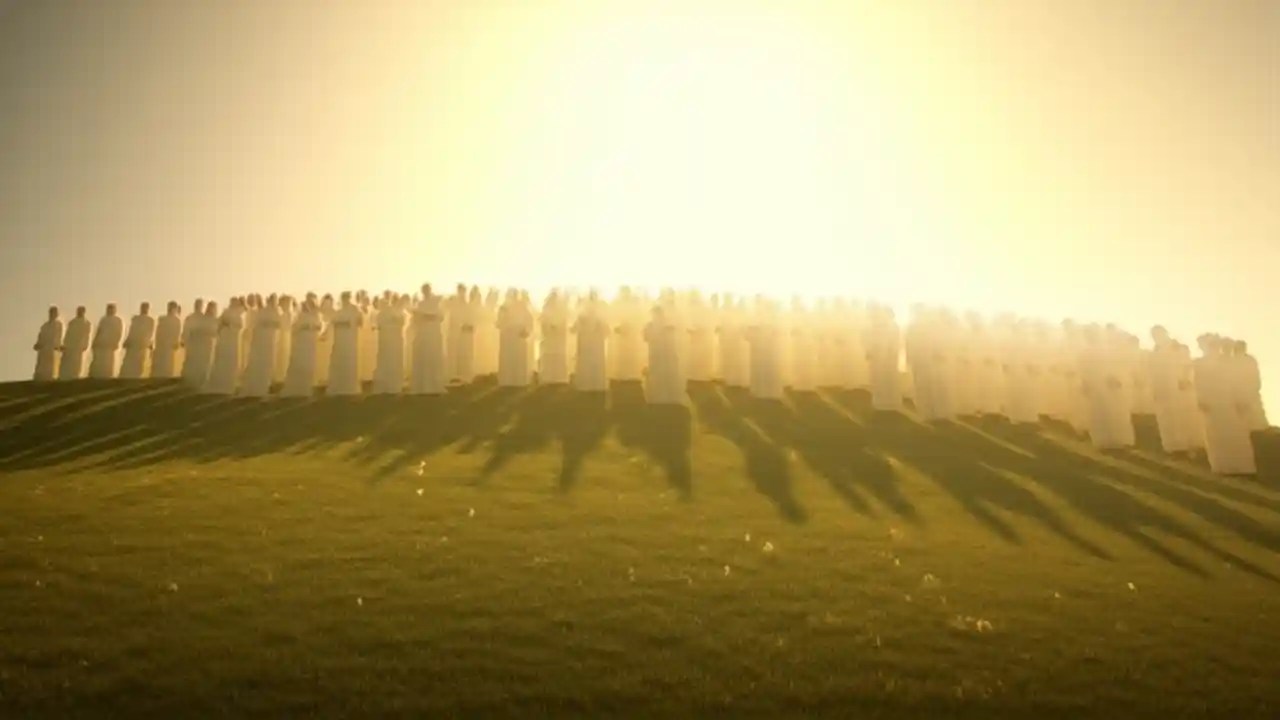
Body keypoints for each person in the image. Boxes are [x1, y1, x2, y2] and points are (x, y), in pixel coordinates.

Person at [1195, 335, 1255, 474]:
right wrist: (1201, 399)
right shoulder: (1200, 363)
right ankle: (1221, 466)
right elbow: (1199, 383)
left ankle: (1243, 467)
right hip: (1212, 403)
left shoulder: (1229, 362)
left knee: (1235, 434)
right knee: (1216, 435)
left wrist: (1242, 399)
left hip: (1230, 402)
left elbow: (1239, 382)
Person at [281, 298, 324, 398]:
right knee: (299, 362)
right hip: (301, 343)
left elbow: (320, 327)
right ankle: (295, 387)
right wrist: (303, 328)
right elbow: (294, 328)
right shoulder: (299, 317)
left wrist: (312, 328)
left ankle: (306, 388)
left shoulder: (316, 316)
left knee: (308, 364)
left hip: (310, 343)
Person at [409, 284, 447, 394]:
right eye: (424, 290)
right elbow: (416, 319)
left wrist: (427, 317)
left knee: (433, 355)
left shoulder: (436, 303)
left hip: (433, 333)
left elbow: (441, 317)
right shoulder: (420, 304)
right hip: (423, 333)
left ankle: (434, 383)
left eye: (427, 290)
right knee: (424, 356)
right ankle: (423, 384)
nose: (426, 292)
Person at [241, 295, 282, 397]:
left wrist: (268, 324)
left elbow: (279, 324)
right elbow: (254, 321)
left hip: (270, 340)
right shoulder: (262, 311)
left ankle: (263, 386)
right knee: (256, 361)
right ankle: (252, 386)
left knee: (267, 362)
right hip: (259, 339)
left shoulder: (277, 311)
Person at [203, 298, 246, 395]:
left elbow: (240, 325)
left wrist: (231, 325)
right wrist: (224, 326)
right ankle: (219, 383)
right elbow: (219, 323)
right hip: (225, 338)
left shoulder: (237, 315)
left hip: (232, 339)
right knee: (222, 359)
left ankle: (228, 383)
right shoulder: (226, 312)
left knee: (230, 360)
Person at [643, 306, 685, 404]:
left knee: (666, 375)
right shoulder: (649, 325)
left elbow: (673, 341)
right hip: (654, 354)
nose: (655, 316)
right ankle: (655, 397)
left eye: (657, 314)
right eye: (654, 314)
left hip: (666, 356)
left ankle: (668, 398)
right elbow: (645, 338)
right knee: (655, 376)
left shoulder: (668, 326)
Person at [866, 305, 904, 412]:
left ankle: (892, 401)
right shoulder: (875, 326)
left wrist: (892, 351)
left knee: (890, 379)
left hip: (890, 357)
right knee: (878, 378)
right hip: (878, 357)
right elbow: (869, 339)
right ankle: (880, 402)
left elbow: (896, 341)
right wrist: (869, 350)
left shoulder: (893, 326)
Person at [746, 298, 784, 401]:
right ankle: (760, 391)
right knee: (760, 368)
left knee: (770, 368)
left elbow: (778, 332)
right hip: (759, 347)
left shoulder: (775, 318)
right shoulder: (755, 316)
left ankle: (770, 392)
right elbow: (749, 330)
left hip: (770, 347)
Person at [327, 291, 364, 396]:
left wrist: (350, 323)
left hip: (350, 339)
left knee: (349, 360)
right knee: (340, 359)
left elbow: (360, 322)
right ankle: (339, 385)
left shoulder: (355, 310)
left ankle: (349, 386)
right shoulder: (339, 311)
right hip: (340, 340)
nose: (345, 300)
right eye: (343, 298)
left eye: (346, 298)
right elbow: (332, 322)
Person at [572, 290, 609, 392]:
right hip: (586, 343)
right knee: (586, 363)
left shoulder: (601, 311)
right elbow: (575, 326)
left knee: (595, 363)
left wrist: (599, 326)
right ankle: (585, 385)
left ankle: (596, 385)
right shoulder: (583, 312)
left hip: (596, 344)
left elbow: (606, 328)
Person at [372, 294, 408, 394]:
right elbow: (379, 325)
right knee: (387, 359)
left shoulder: (398, 313)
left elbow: (401, 323)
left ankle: (393, 384)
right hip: (388, 340)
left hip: (394, 339)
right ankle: (388, 384)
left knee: (393, 359)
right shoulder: (386, 312)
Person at [496, 289, 533, 388]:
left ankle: (519, 380)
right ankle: (507, 380)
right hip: (508, 335)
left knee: (519, 357)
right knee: (508, 357)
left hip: (519, 335)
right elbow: (499, 321)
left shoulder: (522, 307)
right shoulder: (504, 307)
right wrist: (505, 327)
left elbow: (529, 319)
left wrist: (526, 330)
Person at [1232, 340, 1269, 431]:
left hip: (1248, 394)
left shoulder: (1246, 361)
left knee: (1253, 420)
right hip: (1244, 395)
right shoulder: (1245, 360)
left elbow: (1255, 377)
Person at [611, 287, 644, 382]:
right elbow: (611, 317)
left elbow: (638, 318)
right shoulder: (616, 303)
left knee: (631, 355)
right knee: (621, 355)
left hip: (631, 336)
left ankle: (631, 374)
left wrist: (631, 327)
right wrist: (617, 327)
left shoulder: (634, 303)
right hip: (620, 336)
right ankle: (621, 374)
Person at [182, 301, 218, 389]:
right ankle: (191, 381)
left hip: (207, 344)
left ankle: (202, 381)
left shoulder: (215, 320)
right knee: (195, 361)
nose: (210, 309)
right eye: (209, 307)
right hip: (198, 343)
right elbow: (192, 329)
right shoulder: (201, 318)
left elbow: (215, 333)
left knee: (205, 362)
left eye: (212, 308)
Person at [538, 290, 571, 384]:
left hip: (558, 338)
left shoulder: (561, 309)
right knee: (549, 356)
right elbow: (543, 321)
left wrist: (558, 327)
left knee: (558, 357)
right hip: (549, 338)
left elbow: (565, 320)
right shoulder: (546, 309)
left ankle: (559, 378)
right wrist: (549, 327)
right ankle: (548, 377)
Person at [89, 304, 124, 379]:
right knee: (99, 359)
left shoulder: (117, 320)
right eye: (108, 309)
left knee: (108, 360)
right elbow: (99, 331)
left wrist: (116, 342)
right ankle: (97, 375)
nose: (109, 310)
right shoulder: (103, 319)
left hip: (110, 343)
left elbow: (119, 332)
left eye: (111, 309)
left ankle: (107, 376)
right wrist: (95, 341)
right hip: (101, 342)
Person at [151, 302, 183, 379]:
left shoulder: (176, 320)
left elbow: (177, 332)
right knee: (158, 363)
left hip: (169, 345)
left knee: (167, 363)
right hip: (160, 344)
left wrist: (176, 342)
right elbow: (158, 331)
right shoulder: (162, 318)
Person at [58, 307, 92, 381]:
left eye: (81, 311)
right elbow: (67, 334)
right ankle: (65, 377)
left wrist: (85, 345)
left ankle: (75, 376)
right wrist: (64, 344)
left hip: (78, 345)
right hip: (69, 345)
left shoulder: (86, 323)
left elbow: (87, 335)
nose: (79, 312)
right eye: (78, 311)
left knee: (76, 362)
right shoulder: (72, 322)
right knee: (67, 362)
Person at [33, 306, 63, 381]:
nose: (52, 314)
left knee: (50, 364)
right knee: (41, 364)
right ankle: (40, 378)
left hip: (51, 347)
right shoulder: (44, 326)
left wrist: (57, 345)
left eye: (54, 313)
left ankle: (49, 378)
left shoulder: (58, 324)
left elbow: (58, 335)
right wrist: (38, 344)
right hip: (43, 348)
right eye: (51, 312)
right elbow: (41, 336)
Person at [275, 295, 295, 386]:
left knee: (286, 356)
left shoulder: (291, 315)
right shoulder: (282, 315)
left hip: (288, 336)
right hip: (280, 337)